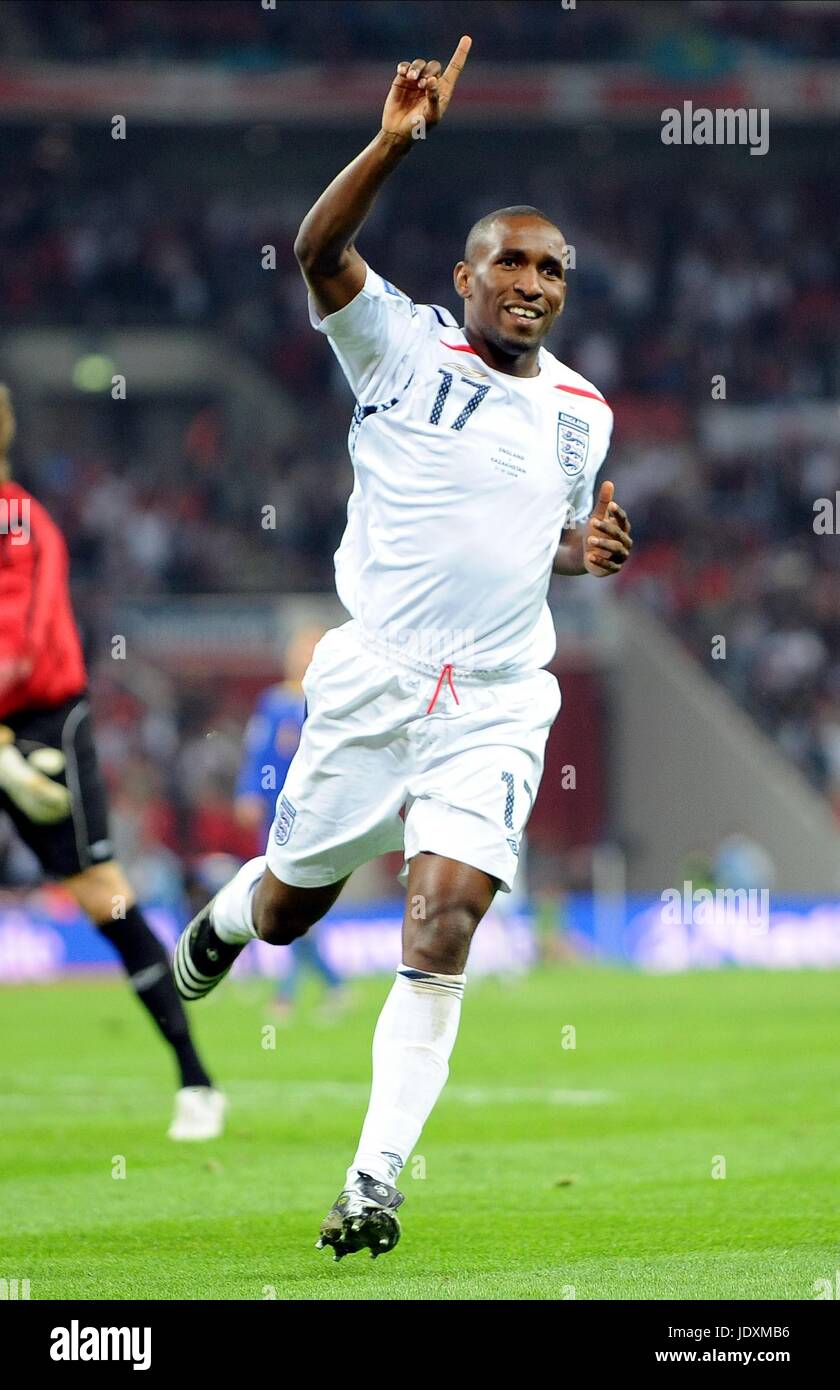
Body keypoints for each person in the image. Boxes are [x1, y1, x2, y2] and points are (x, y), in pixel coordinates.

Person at [175, 35, 632, 1255]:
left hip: (492, 699)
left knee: (443, 917)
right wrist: (391, 143)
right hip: (374, 678)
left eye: (553, 270)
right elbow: (315, 252)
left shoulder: (584, 414)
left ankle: (373, 1181)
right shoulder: (394, 341)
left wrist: (573, 555)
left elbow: (531, 529)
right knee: (287, 913)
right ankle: (223, 921)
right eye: (512, 262)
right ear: (465, 275)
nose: (533, 282)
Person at [0, 384, 224, 1141]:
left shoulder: (19, 521)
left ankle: (195, 1077)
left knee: (104, 898)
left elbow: (17, 651)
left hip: (40, 726)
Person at [234, 627, 348, 1017]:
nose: (302, 658)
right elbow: (258, 752)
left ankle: (289, 994)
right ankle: (331, 988)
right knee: (282, 902)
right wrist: (247, 792)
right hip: (274, 814)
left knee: (292, 902)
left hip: (313, 813)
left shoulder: (328, 700)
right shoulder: (273, 701)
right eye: (298, 651)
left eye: (310, 651)